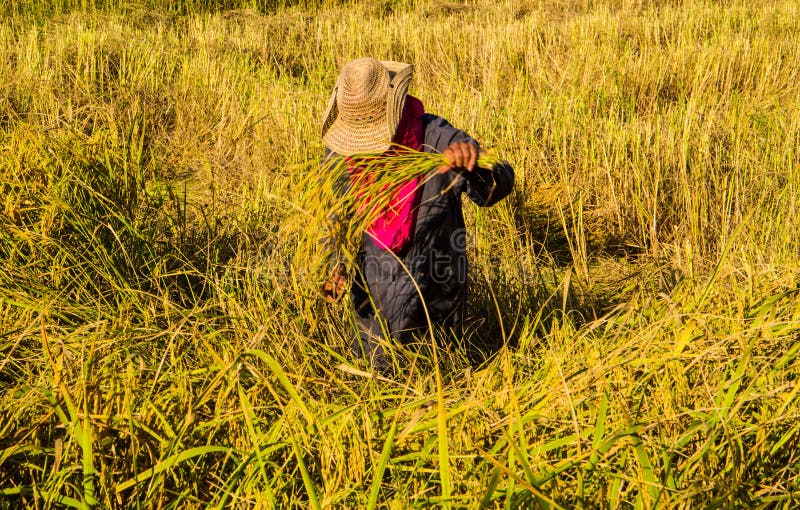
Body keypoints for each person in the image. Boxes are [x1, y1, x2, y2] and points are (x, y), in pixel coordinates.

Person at [321, 57, 514, 372]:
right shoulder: (341, 153)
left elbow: (500, 180)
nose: (366, 147)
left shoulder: (435, 137)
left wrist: (474, 163)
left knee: (437, 381)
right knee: (376, 383)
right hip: (372, 298)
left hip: (434, 296)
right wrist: (336, 265)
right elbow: (334, 213)